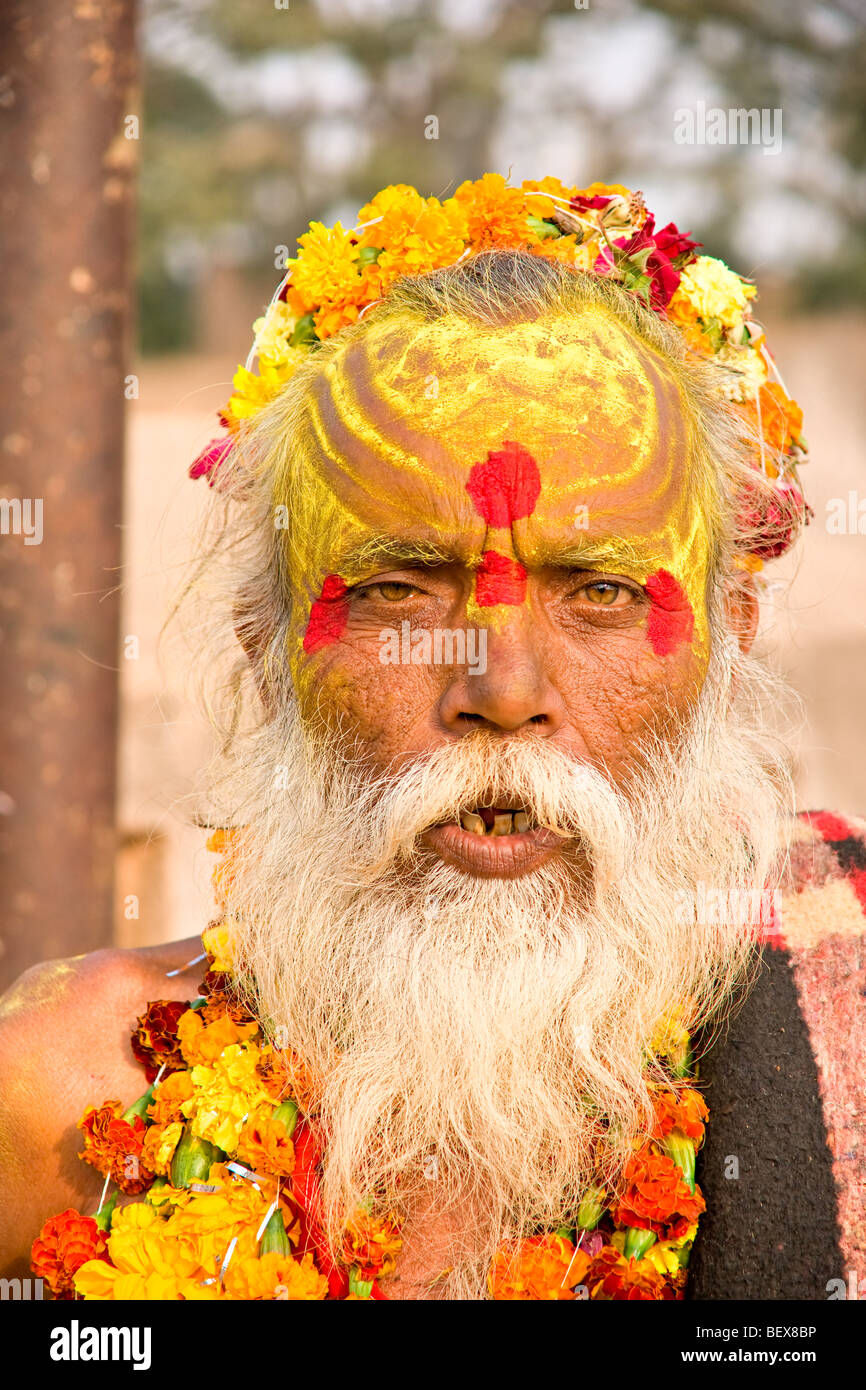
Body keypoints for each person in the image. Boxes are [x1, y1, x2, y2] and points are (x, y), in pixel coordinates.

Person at [1, 177, 862, 1301]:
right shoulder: (70, 1088)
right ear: (268, 650)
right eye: (398, 589)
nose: (501, 689)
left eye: (597, 590)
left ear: (724, 646)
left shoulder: (832, 976)